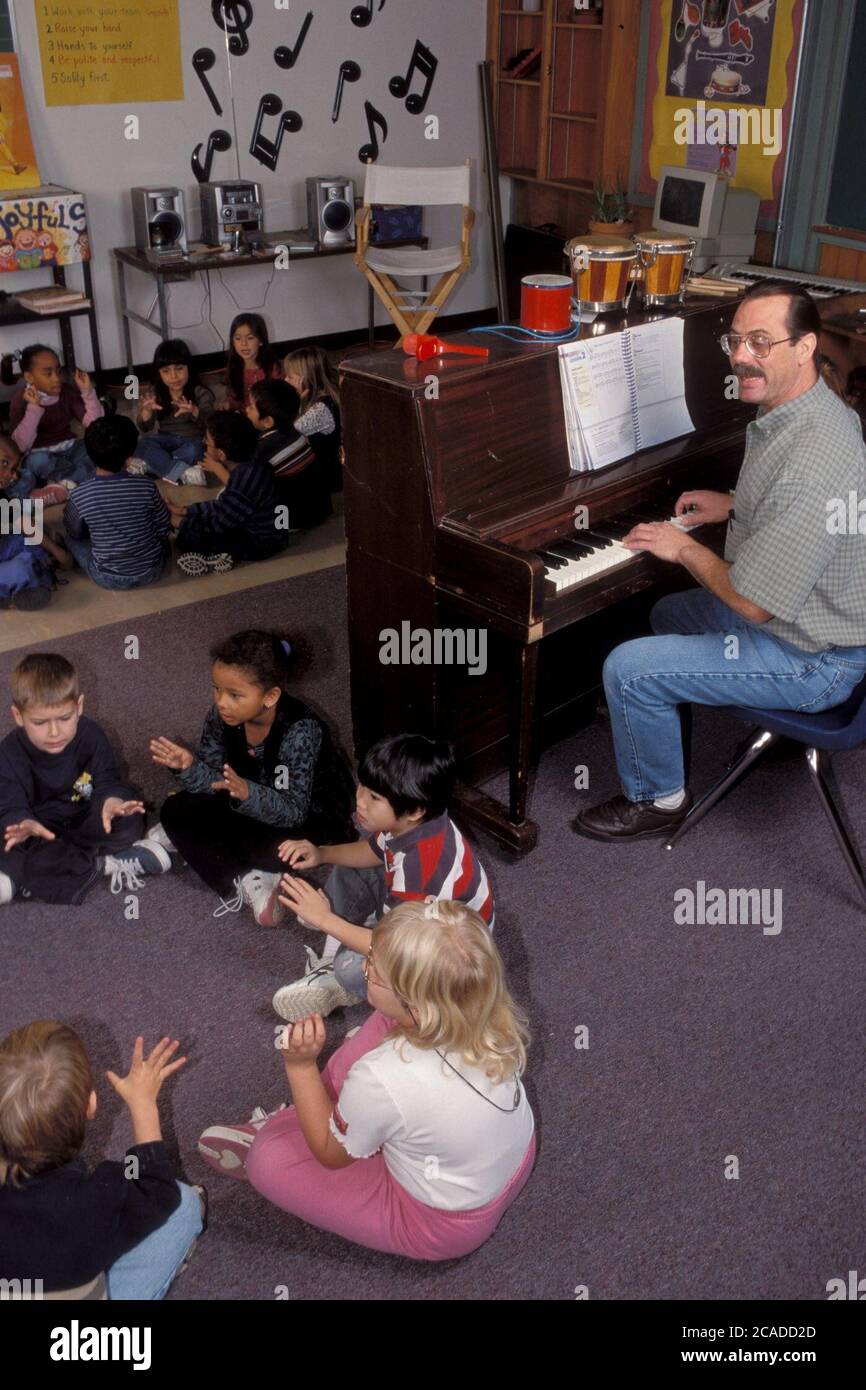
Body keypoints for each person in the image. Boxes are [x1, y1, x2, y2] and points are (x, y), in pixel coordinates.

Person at [573, 282, 866, 843]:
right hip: (814, 620)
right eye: (735, 340)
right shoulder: (815, 408)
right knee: (671, 614)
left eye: (760, 341)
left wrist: (684, 546)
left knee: (627, 668)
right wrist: (735, 506)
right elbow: (807, 512)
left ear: (804, 347)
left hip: (814, 659)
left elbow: (753, 604)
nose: (740, 357)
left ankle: (657, 799)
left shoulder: (812, 458)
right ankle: (664, 727)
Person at [198, 900, 535, 1262]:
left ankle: (289, 1123)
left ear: (418, 1008)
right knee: (385, 1022)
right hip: (512, 1161)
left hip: (439, 1224)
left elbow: (330, 1155)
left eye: (373, 971)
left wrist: (300, 1066)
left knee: (267, 1160)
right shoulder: (483, 1007)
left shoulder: (383, 1074)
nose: (363, 966)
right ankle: (359, 1120)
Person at [273, 733, 494, 1021]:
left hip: (443, 958)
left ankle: (349, 982)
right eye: (362, 787)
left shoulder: (422, 871)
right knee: (351, 865)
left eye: (374, 797)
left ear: (415, 810)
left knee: (349, 967)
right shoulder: (415, 825)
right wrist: (322, 853)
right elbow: (373, 851)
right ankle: (345, 933)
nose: (359, 801)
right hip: (416, 919)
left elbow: (393, 948)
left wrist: (325, 919)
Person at [149, 630, 355, 925]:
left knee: (277, 850)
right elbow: (214, 782)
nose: (222, 702)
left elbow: (293, 812)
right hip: (243, 797)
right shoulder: (221, 716)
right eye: (217, 689)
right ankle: (246, 873)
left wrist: (248, 794)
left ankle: (244, 866)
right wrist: (188, 766)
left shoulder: (300, 732)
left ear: (270, 697)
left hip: (308, 819)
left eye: (235, 695)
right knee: (174, 808)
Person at [0, 1021, 205, 1300]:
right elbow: (154, 1186)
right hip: (79, 1342)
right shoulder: (101, 1193)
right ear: (91, 1105)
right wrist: (142, 1105)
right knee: (184, 1204)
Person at [0, 653, 171, 906]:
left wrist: (111, 802)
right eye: (39, 722)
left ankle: (26, 879)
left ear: (79, 706)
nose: (54, 732)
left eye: (65, 718)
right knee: (9, 841)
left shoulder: (91, 735)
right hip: (39, 828)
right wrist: (23, 824)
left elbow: (107, 779)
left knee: (129, 817)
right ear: (17, 715)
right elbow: (9, 805)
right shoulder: (8, 753)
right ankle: (106, 865)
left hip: (85, 819)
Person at [169, 411, 288, 577]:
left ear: (221, 454)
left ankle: (224, 556)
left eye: (207, 442)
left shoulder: (243, 480)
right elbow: (224, 505)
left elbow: (220, 523)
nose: (203, 442)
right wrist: (185, 510)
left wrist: (181, 522)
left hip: (263, 542)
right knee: (196, 525)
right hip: (271, 531)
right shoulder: (249, 465)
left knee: (187, 539)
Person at [62, 416, 171, 590]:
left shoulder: (80, 495)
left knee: (69, 538)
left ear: (89, 455)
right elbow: (163, 526)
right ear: (129, 459)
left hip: (107, 577)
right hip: (152, 570)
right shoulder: (146, 485)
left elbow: (74, 531)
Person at [4, 345, 102, 500]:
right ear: (30, 377)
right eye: (48, 374)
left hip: (69, 449)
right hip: (39, 455)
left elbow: (94, 424)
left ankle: (63, 485)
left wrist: (87, 392)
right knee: (38, 462)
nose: (57, 378)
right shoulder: (20, 400)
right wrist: (34, 408)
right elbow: (21, 445)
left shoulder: (67, 391)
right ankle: (79, 480)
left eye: (58, 371)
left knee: (93, 446)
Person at [247, 378, 332, 530]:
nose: (246, 409)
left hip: (293, 518)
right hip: (321, 508)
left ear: (267, 421)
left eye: (251, 407)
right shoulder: (295, 432)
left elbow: (252, 485)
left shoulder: (264, 448)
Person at [131, 339, 214, 485]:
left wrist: (194, 411)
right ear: (159, 374)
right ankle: (181, 471)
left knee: (196, 451)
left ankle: (153, 466)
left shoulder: (200, 392)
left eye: (179, 368)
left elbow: (212, 423)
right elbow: (144, 428)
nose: (174, 376)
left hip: (192, 440)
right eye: (166, 371)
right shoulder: (156, 393)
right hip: (165, 439)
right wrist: (146, 412)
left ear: (189, 367)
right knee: (142, 443)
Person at [283, 345, 343, 492]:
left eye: (290, 377)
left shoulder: (319, 410)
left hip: (327, 474)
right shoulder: (318, 397)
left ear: (306, 379)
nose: (285, 380)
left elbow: (287, 434)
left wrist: (295, 400)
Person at [222, 313, 282, 411]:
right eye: (238, 338)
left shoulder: (271, 367)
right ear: (232, 342)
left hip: (268, 417)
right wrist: (228, 404)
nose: (244, 343)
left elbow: (278, 398)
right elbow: (234, 399)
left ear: (261, 340)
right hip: (244, 420)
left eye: (250, 338)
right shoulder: (234, 369)